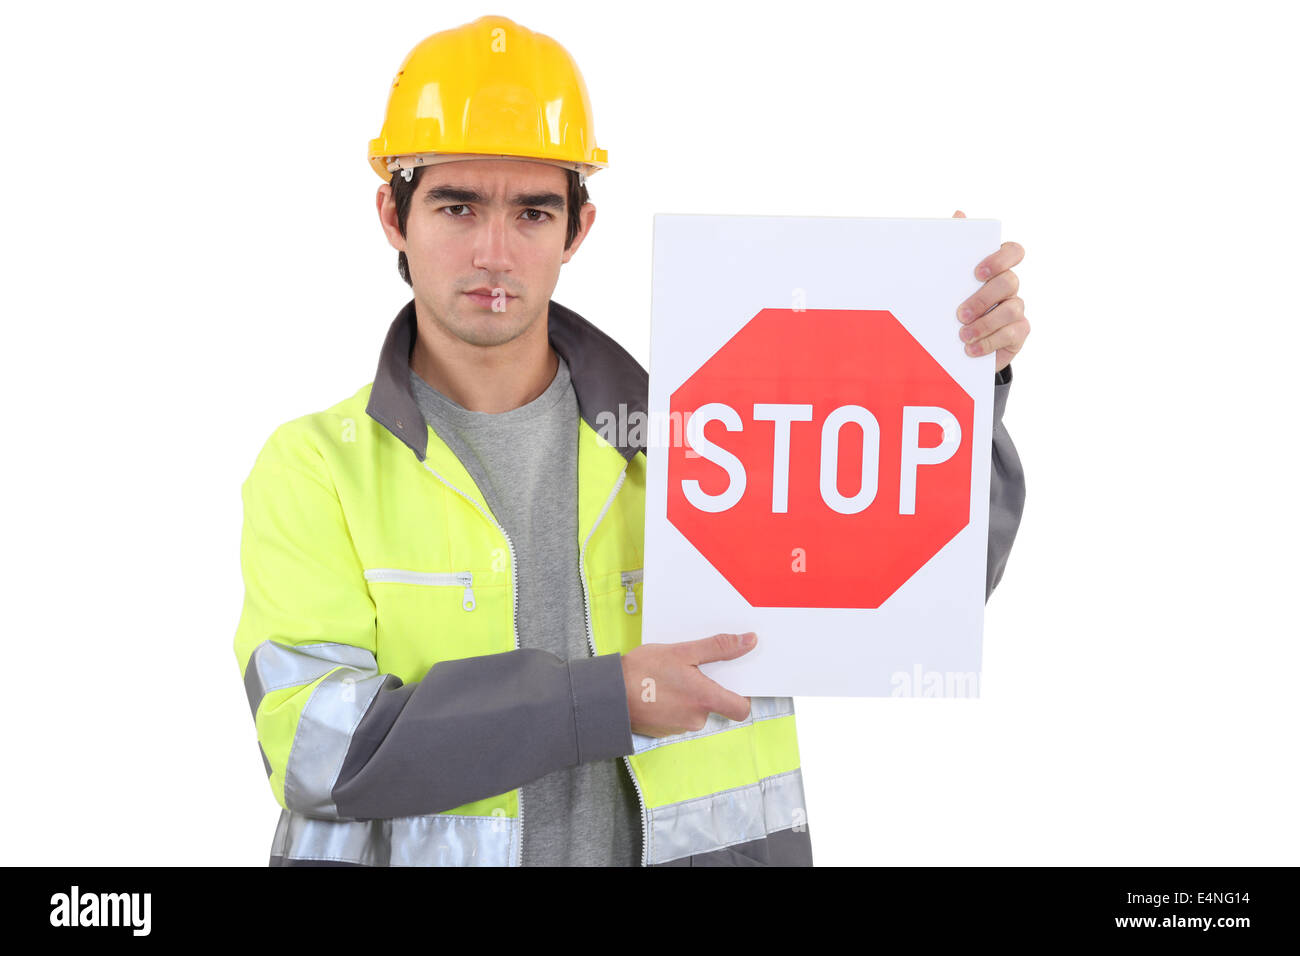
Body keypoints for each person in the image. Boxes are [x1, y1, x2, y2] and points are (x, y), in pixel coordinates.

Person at [232, 15, 1029, 867]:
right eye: (456, 206)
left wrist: (956, 383)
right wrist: (603, 699)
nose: (494, 252)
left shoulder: (702, 441)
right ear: (393, 214)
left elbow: (915, 598)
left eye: (533, 211)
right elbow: (321, 751)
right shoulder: (318, 467)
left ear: (578, 229)